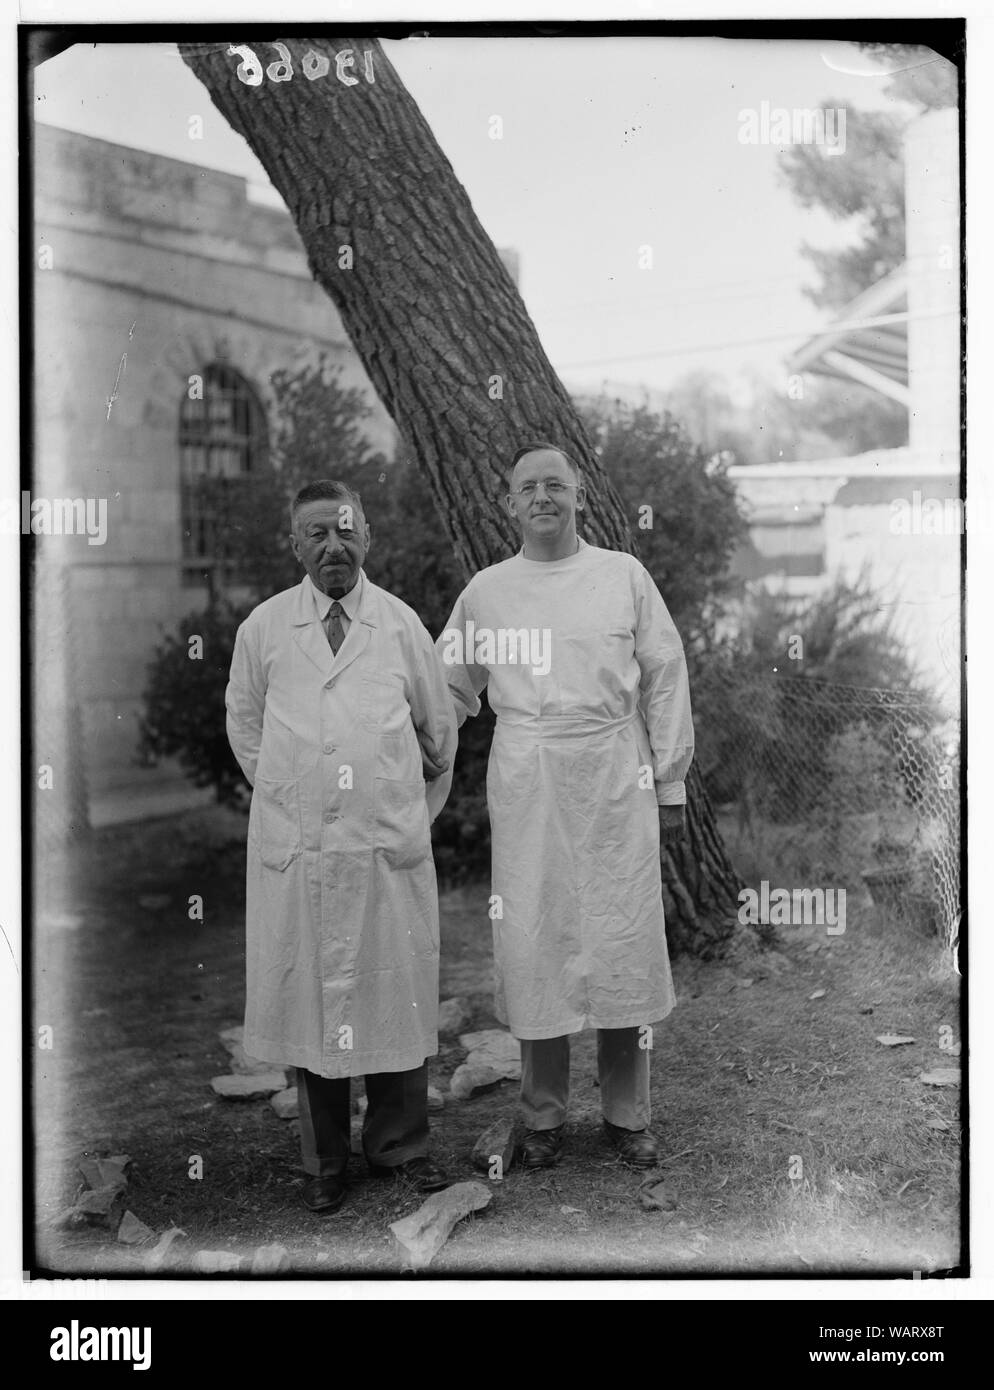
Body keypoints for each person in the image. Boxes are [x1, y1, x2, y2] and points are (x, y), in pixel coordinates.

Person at [437, 442, 694, 1171]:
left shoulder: (622, 576)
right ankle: (542, 1116)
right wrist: (409, 748)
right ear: (509, 505)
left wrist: (669, 781)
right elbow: (448, 686)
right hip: (530, 775)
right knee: (535, 937)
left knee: (623, 938)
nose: (543, 497)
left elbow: (665, 674)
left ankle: (627, 1113)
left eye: (556, 484)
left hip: (616, 770)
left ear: (579, 495)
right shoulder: (487, 592)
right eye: (528, 487)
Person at [225, 479, 457, 1214]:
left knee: (393, 991)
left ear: (368, 539)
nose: (333, 546)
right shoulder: (265, 629)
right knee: (313, 1002)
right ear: (295, 545)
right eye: (316, 533)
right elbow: (245, 725)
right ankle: (324, 1161)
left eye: (345, 531)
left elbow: (437, 732)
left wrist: (403, 816)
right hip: (303, 851)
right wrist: (291, 794)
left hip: (383, 846)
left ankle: (399, 1147)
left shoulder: (399, 625)